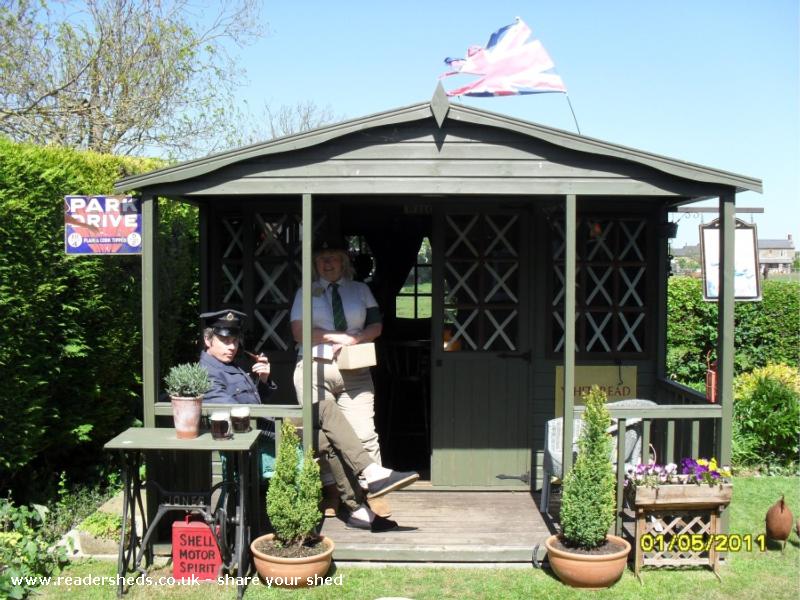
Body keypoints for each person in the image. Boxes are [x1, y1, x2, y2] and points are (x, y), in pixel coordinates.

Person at [198, 309, 417, 532]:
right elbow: (235, 416)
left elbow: (253, 403)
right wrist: (279, 425)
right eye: (225, 340)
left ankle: (356, 507)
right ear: (208, 339)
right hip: (261, 438)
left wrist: (263, 381)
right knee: (326, 407)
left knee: (327, 436)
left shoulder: (230, 364)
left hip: (267, 427)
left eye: (234, 340)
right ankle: (370, 474)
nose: (232, 346)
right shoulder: (209, 371)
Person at [289, 237, 389, 517]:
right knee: (322, 438)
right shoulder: (305, 292)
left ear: (343, 262)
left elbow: (376, 326)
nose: (327, 263)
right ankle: (332, 494)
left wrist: (355, 338)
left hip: (354, 369)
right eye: (321, 259)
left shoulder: (359, 290)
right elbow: (299, 333)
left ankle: (374, 492)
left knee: (364, 433)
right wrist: (335, 336)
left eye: (332, 257)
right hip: (314, 368)